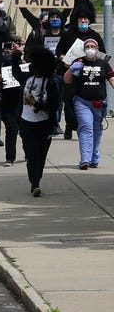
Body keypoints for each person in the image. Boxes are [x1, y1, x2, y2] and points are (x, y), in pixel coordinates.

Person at [11, 47, 61, 196]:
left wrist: (37, 104)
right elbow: (16, 72)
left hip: (44, 124)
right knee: (32, 154)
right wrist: (16, 56)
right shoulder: (27, 78)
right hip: (26, 122)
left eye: (34, 63)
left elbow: (54, 105)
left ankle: (37, 178)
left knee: (41, 155)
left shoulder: (51, 83)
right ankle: (35, 183)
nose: (31, 65)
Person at [63, 38, 114, 170]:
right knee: (86, 127)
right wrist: (71, 69)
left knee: (97, 130)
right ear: (84, 49)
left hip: (99, 103)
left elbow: (111, 79)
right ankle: (85, 160)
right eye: (87, 47)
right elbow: (67, 80)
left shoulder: (103, 64)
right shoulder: (79, 62)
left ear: (97, 49)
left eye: (93, 46)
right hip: (82, 102)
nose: (90, 49)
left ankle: (94, 158)